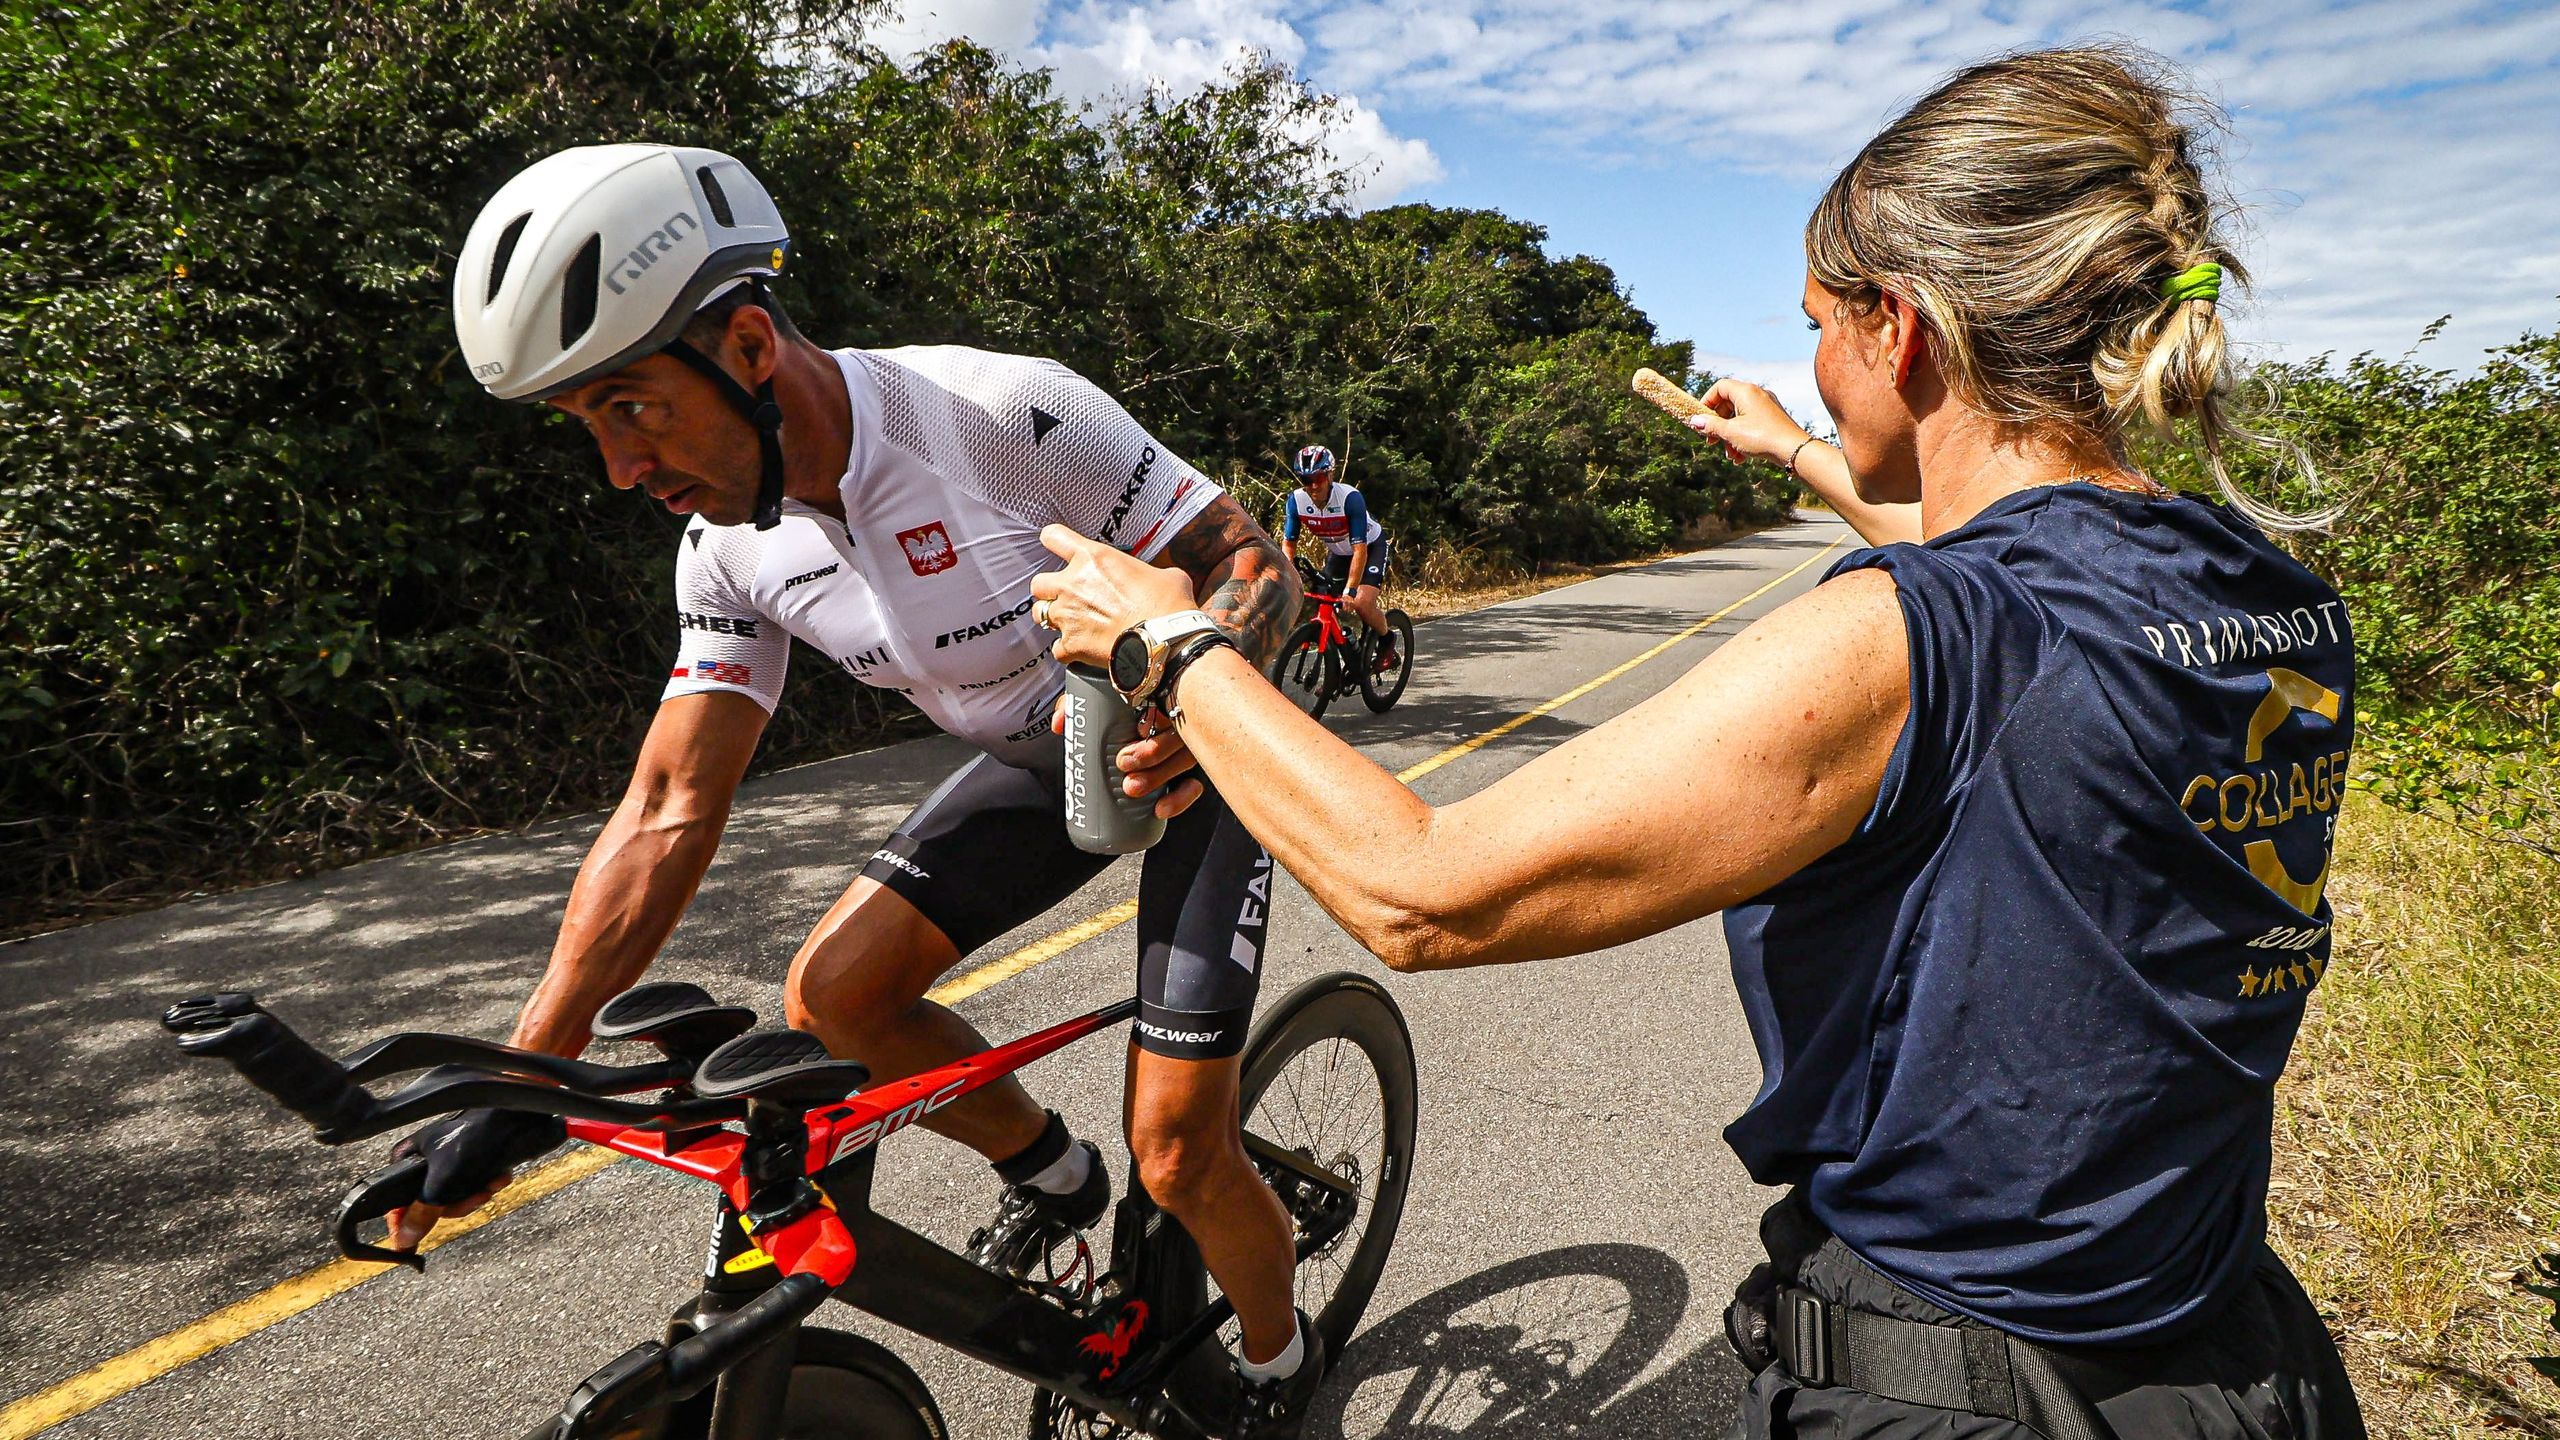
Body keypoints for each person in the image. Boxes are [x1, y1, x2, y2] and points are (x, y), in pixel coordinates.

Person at [1034, 46, 2363, 1439]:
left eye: (1817, 328)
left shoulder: (1900, 642)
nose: (1813, 365)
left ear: (1899, 328)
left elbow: (1423, 890)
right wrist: (1795, 452)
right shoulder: (2266, 591)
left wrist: (1170, 647)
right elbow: (2012, 563)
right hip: (2234, 1354)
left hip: (1964, 1384)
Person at [399, 143, 1325, 1433]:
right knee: (835, 999)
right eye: (584, 427)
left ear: (745, 348)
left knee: (1178, 1146)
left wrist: (1205, 674)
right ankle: (1053, 1176)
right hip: (1035, 752)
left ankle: (1279, 1375)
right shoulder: (724, 548)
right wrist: (528, 1076)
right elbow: (669, 805)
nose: (617, 466)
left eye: (629, 406)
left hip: (1195, 747)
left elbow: (1252, 557)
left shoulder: (1001, 416)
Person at [1280, 445, 1397, 671]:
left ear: (1330, 475)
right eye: (1307, 479)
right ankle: (1341, 663)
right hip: (1339, 554)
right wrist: (1287, 576)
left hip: (1371, 547)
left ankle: (1386, 640)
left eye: (1319, 477)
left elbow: (1360, 550)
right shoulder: (1296, 501)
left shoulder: (1350, 498)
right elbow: (1289, 544)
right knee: (1325, 604)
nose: (1314, 486)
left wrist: (1350, 591)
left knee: (1362, 602)